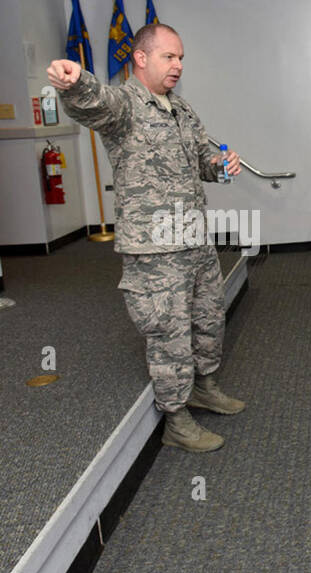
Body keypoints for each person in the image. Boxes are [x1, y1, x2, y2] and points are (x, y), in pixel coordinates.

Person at [48, 23, 244, 453]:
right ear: (140, 58)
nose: (177, 66)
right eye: (169, 57)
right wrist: (75, 81)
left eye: (181, 59)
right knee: (168, 332)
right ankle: (176, 417)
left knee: (209, 318)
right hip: (155, 250)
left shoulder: (182, 109)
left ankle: (204, 386)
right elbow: (93, 103)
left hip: (194, 238)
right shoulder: (125, 105)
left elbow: (203, 161)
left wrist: (221, 163)